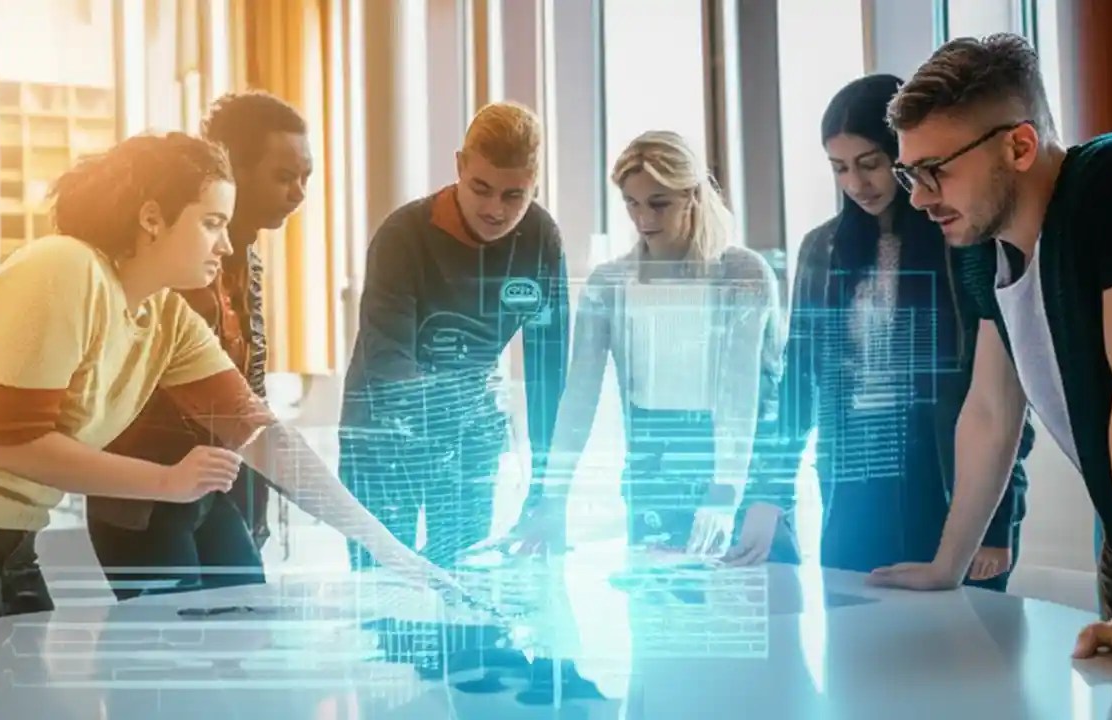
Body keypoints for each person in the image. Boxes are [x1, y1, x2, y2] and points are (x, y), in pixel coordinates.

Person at [0, 132, 453, 637]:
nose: (225, 245)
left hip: (9, 534)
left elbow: (264, 439)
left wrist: (388, 549)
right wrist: (166, 481)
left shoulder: (165, 319)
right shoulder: (62, 269)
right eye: (212, 223)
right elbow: (15, 441)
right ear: (152, 218)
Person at [862, 34, 1112, 674]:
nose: (918, 196)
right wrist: (949, 565)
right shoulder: (980, 247)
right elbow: (993, 410)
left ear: (1019, 146)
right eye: (911, 172)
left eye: (935, 170)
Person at [724, 75, 1032, 592]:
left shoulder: (960, 240)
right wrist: (767, 491)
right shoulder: (822, 249)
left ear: (902, 155)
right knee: (856, 649)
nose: (856, 184)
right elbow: (799, 383)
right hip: (855, 484)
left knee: (962, 654)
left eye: (870, 164)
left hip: (947, 475)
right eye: (840, 168)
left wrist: (1001, 519)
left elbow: (1001, 395)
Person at [508, 130, 783, 556]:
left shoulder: (743, 273)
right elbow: (578, 398)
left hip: (741, 475)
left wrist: (725, 495)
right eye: (632, 204)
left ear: (692, 196)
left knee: (754, 612)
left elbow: (742, 391)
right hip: (650, 480)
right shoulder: (609, 284)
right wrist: (552, 499)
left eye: (659, 203)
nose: (644, 219)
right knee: (656, 615)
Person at [86, 91, 308, 600]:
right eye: (283, 176)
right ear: (232, 167)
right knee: (168, 657)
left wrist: (254, 497)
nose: (298, 193)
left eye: (305, 177)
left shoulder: (244, 257)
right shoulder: (168, 263)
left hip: (208, 490)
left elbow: (246, 389)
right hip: (143, 497)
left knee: (245, 632)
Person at [339, 101, 569, 571]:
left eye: (514, 195)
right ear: (459, 165)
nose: (494, 210)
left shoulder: (541, 238)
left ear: (535, 185)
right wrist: (442, 438)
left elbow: (550, 371)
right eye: (481, 188)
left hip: (470, 427)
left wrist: (548, 487)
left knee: (461, 583)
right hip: (382, 429)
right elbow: (389, 358)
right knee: (387, 588)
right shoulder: (403, 235)